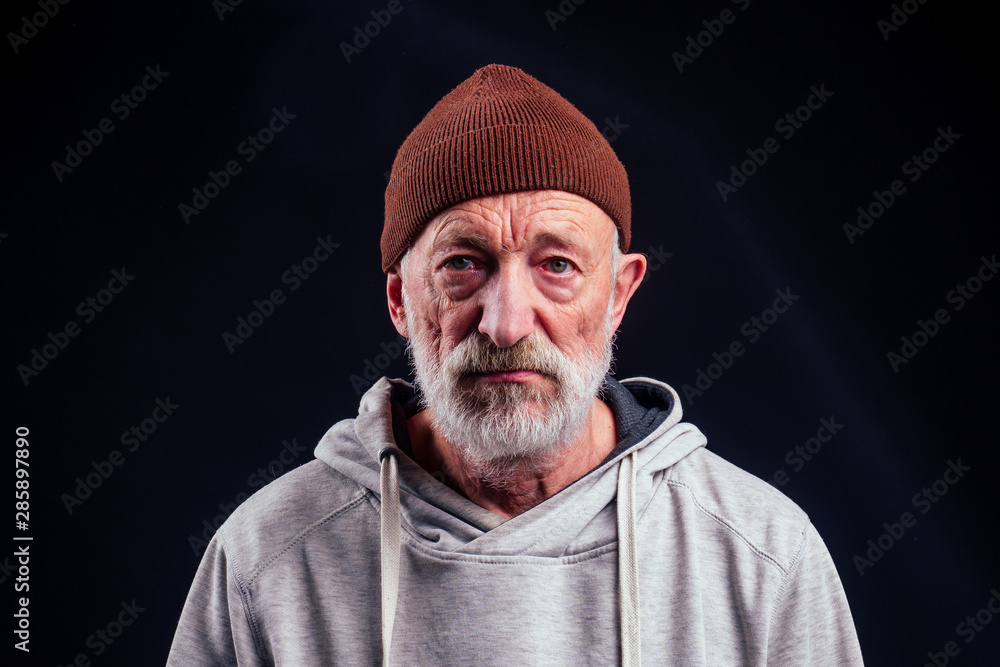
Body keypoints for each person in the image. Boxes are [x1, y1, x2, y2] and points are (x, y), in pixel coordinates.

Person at [167, 64, 865, 666]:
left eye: (556, 265)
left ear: (618, 295)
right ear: (400, 300)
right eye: (462, 265)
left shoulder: (763, 555)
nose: (505, 324)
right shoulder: (265, 559)